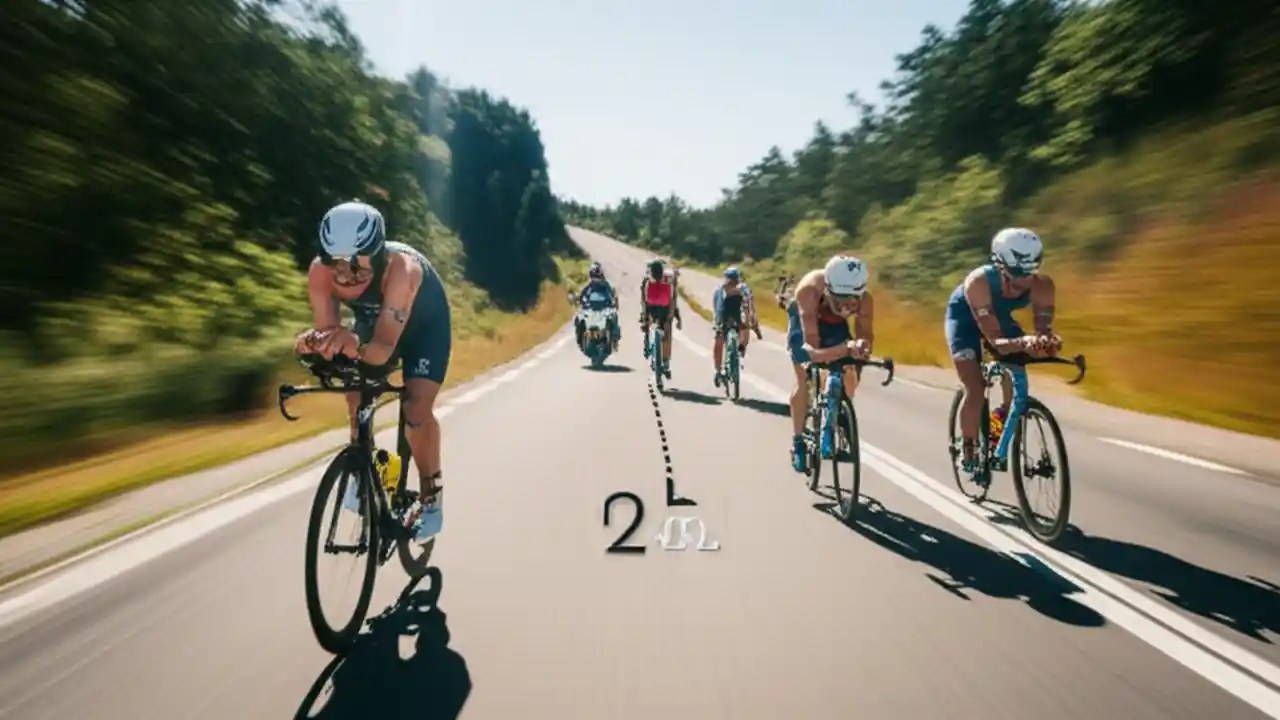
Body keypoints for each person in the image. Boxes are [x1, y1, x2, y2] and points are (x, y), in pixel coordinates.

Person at [293, 200, 452, 543]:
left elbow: (381, 350)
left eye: (358, 266)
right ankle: (368, 469)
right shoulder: (319, 274)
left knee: (416, 409)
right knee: (352, 383)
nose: (346, 274)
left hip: (424, 327)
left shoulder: (401, 270)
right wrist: (314, 344)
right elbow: (332, 340)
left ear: (379, 255)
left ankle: (431, 501)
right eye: (335, 264)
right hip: (376, 322)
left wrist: (350, 344)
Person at [944, 227, 1061, 477]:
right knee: (975, 387)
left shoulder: (1043, 285)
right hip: (965, 319)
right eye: (1018, 273)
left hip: (998, 317)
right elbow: (996, 341)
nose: (1026, 280)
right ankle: (968, 447)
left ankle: (1001, 420)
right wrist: (1024, 342)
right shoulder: (978, 282)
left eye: (1032, 270)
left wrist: (1045, 342)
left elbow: (1042, 331)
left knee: (1016, 365)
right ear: (999, 265)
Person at [779, 255, 875, 473]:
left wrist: (860, 351)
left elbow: (866, 336)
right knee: (804, 376)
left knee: (850, 368)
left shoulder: (865, 300)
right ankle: (798, 442)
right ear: (827, 287)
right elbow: (812, 349)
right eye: (839, 299)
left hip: (834, 324)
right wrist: (843, 350)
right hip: (807, 320)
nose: (844, 306)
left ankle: (838, 409)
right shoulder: (809, 291)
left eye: (851, 301)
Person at [712, 266, 762, 386]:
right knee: (744, 331)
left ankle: (718, 371)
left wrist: (717, 323)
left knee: (719, 340)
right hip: (739, 319)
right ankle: (740, 352)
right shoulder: (744, 289)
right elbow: (750, 310)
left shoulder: (719, 289)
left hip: (725, 318)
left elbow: (716, 308)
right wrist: (756, 328)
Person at [639, 257, 682, 377]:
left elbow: (644, 300)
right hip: (664, 309)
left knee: (648, 323)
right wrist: (677, 317)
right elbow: (673, 299)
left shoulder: (647, 280)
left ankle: (647, 341)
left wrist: (644, 317)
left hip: (652, 308)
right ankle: (666, 362)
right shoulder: (668, 278)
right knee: (667, 334)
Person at [575, 261, 620, 351]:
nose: (595, 278)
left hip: (605, 308)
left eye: (597, 275)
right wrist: (580, 301)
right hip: (591, 309)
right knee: (579, 319)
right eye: (593, 275)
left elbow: (613, 295)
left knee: (613, 318)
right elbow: (582, 295)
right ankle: (580, 340)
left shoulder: (606, 285)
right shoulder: (589, 286)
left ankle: (614, 340)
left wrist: (614, 303)